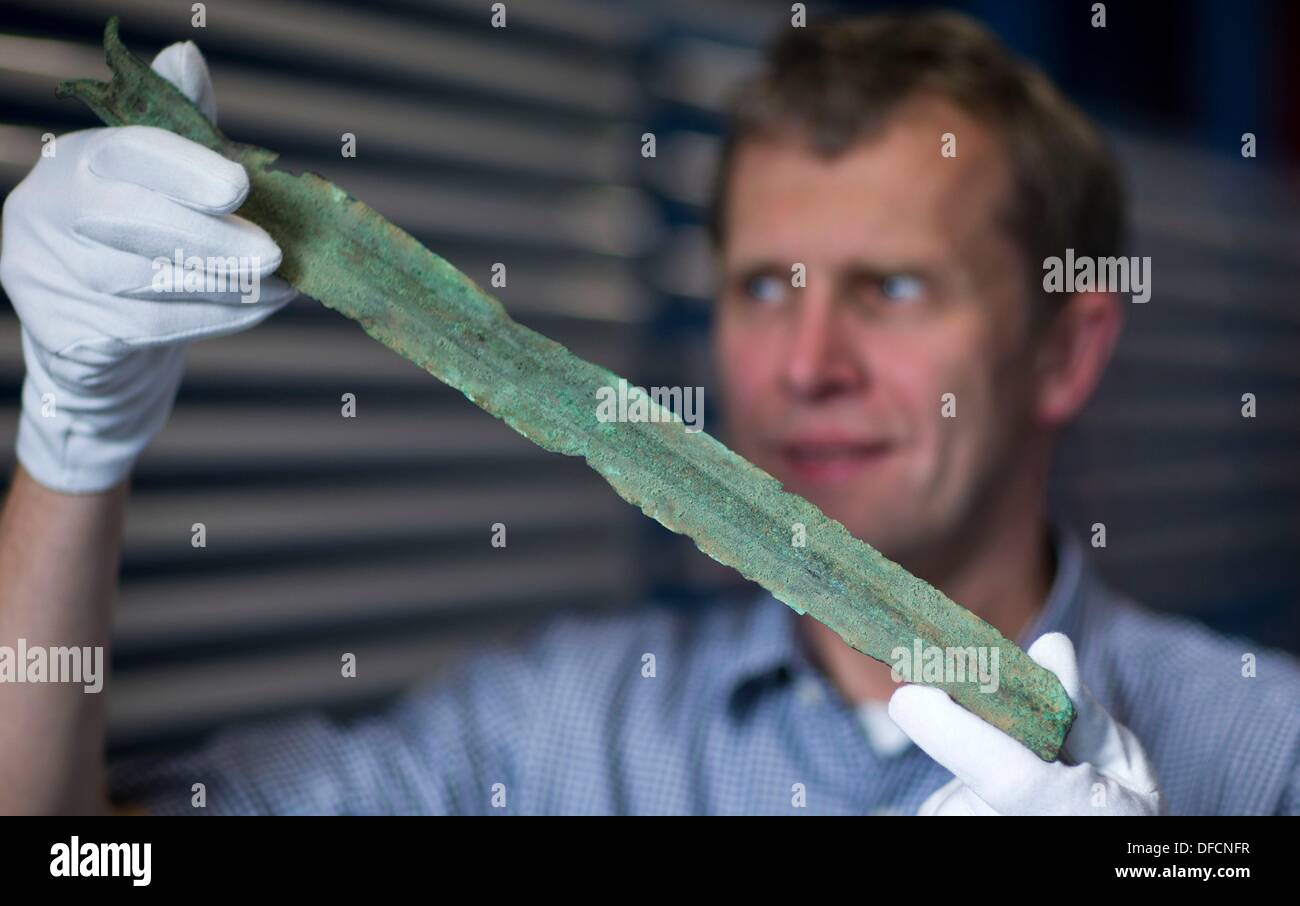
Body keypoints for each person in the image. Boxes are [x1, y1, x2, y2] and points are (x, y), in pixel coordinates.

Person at [1, 12, 1296, 816]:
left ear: (1067, 352)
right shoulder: (551, 730)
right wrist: (74, 444)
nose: (806, 359)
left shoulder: (1261, 746)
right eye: (760, 287)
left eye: (892, 287)